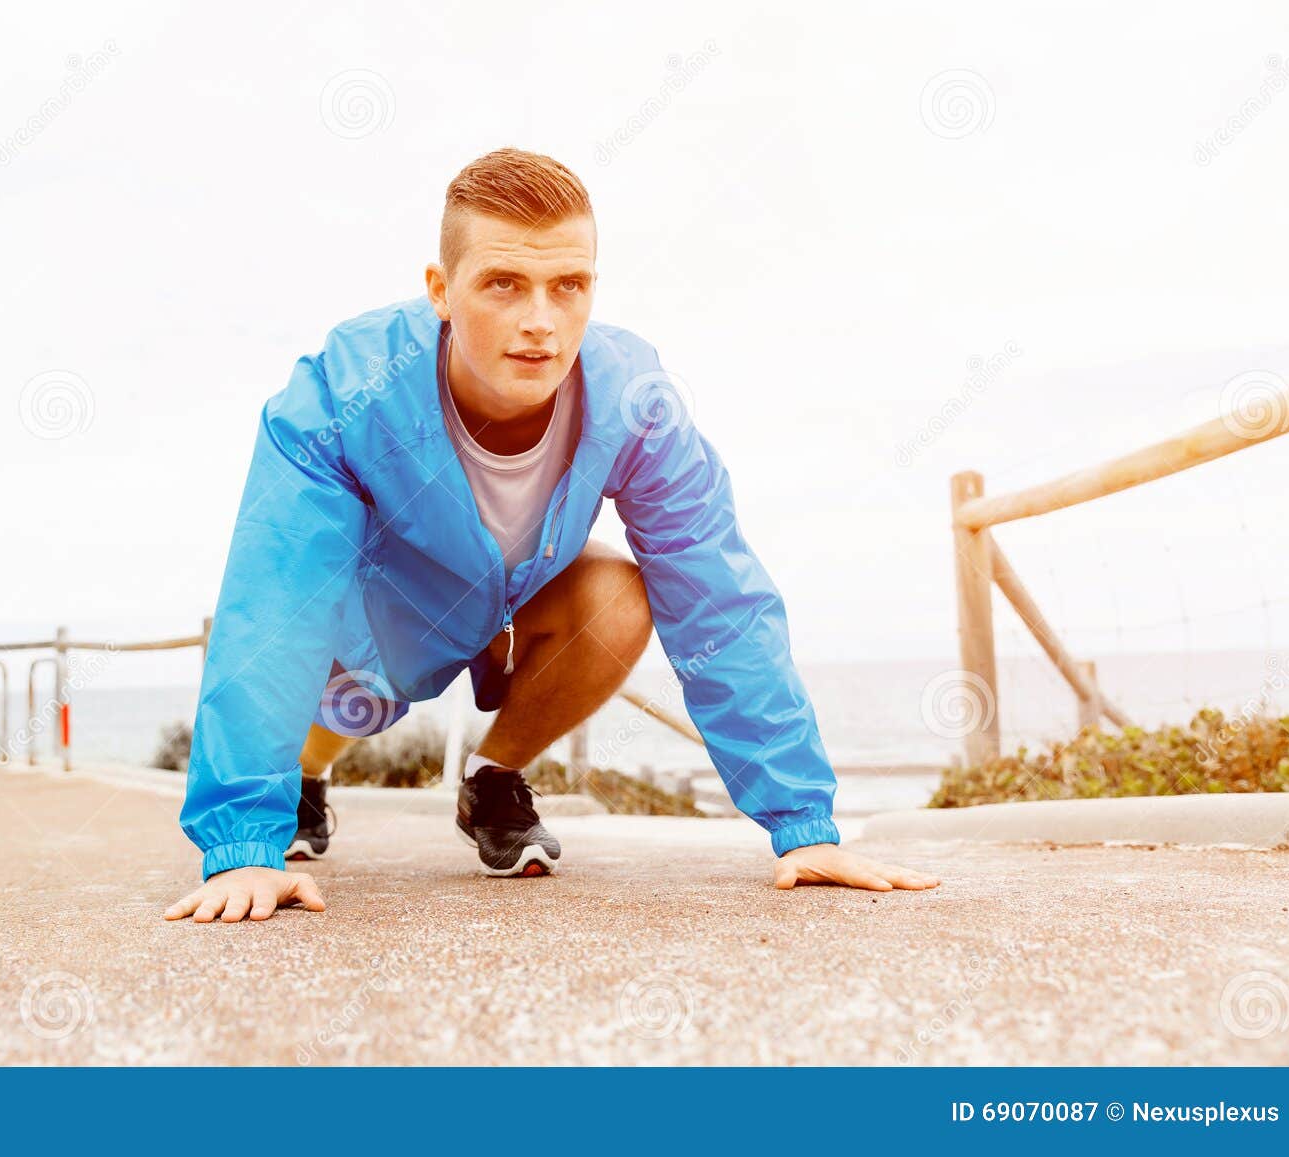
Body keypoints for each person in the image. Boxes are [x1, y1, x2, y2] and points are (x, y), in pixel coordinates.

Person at [166, 147, 939, 924]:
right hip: (383, 617)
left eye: (568, 286)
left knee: (620, 596)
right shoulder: (343, 388)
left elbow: (718, 596)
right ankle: (304, 782)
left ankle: (494, 779)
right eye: (503, 284)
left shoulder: (633, 398)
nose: (541, 320)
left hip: (517, 600)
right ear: (440, 290)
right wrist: (242, 847)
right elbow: (276, 598)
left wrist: (801, 825)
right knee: (348, 697)